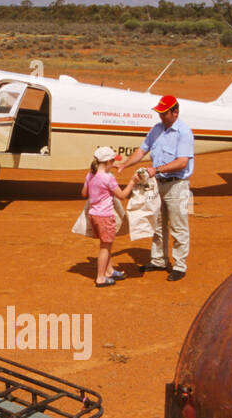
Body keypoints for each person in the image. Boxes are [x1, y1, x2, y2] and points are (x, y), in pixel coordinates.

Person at [114, 94, 194, 281]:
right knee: (158, 223)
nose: (160, 116)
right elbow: (142, 150)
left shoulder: (184, 132)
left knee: (178, 226)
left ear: (175, 112)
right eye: (159, 112)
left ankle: (180, 265)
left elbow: (182, 162)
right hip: (158, 183)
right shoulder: (156, 129)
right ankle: (158, 260)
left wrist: (155, 169)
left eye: (164, 113)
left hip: (178, 185)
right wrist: (125, 165)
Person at [83, 146, 134, 286]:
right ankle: (100, 277)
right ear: (107, 162)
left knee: (106, 244)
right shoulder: (108, 178)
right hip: (105, 217)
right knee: (105, 247)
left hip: (93, 215)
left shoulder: (90, 175)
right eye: (112, 161)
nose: (113, 163)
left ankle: (109, 270)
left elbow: (84, 193)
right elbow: (122, 196)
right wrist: (132, 182)